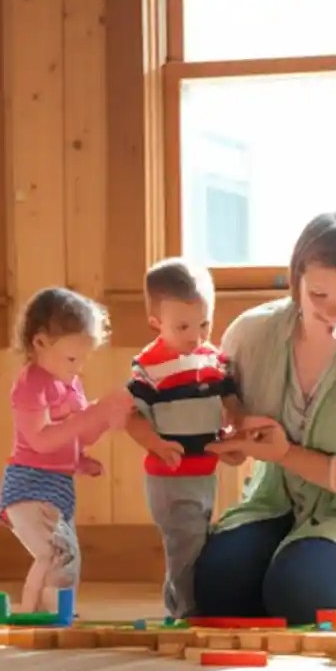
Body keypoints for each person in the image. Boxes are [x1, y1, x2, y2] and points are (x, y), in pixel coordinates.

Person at [193, 211, 336, 625]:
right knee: (219, 585)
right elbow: (221, 392)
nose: (332, 312)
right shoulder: (253, 333)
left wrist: (283, 454)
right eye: (318, 295)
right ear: (296, 279)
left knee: (300, 592)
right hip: (275, 502)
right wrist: (230, 433)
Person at [0, 287, 135, 613]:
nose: (78, 367)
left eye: (83, 359)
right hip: (29, 486)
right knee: (56, 554)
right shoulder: (33, 383)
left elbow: (78, 433)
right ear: (40, 343)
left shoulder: (69, 382)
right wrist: (93, 414)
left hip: (57, 486)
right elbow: (41, 440)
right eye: (72, 358)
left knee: (63, 554)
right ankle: (41, 614)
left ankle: (51, 613)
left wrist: (93, 434)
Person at [124, 258, 245, 618]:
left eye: (204, 324)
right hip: (169, 475)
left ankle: (178, 605)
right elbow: (131, 418)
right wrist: (157, 445)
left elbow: (228, 398)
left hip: (205, 470)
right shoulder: (149, 367)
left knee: (195, 540)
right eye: (183, 327)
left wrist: (233, 427)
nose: (196, 335)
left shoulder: (211, 358)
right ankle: (188, 612)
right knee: (185, 543)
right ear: (156, 323)